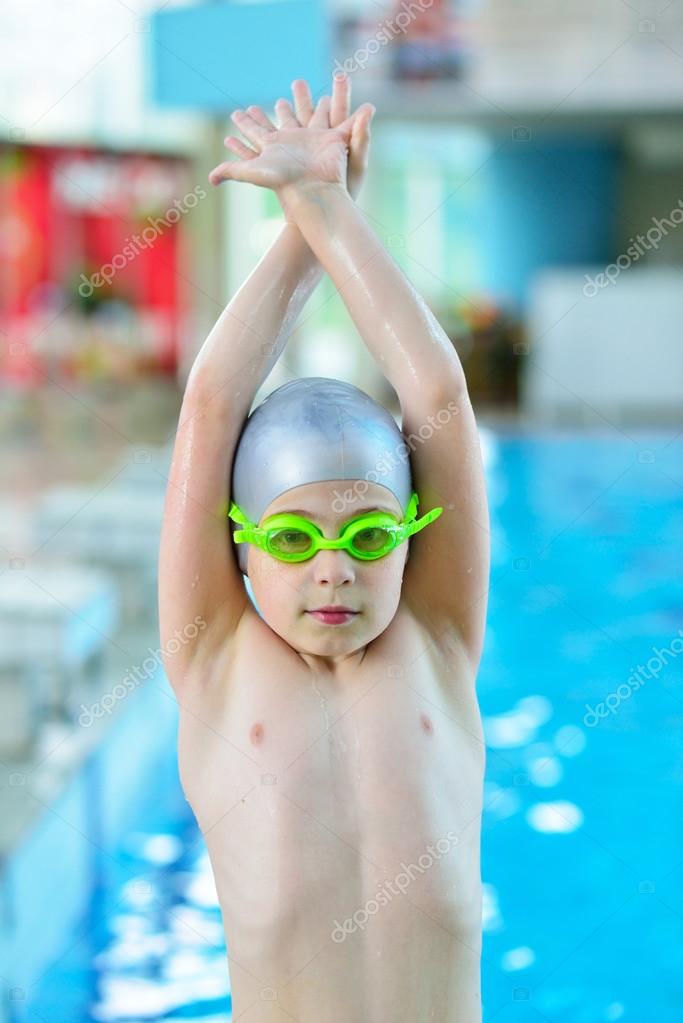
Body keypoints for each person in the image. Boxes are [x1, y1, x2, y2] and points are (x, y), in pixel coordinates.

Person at [158, 72, 490, 1023]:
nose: (334, 569)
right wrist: (303, 223)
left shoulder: (436, 646)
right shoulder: (214, 663)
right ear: (244, 545)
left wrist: (331, 206)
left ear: (409, 539)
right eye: (296, 537)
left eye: (371, 536)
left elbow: (436, 400)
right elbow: (212, 406)